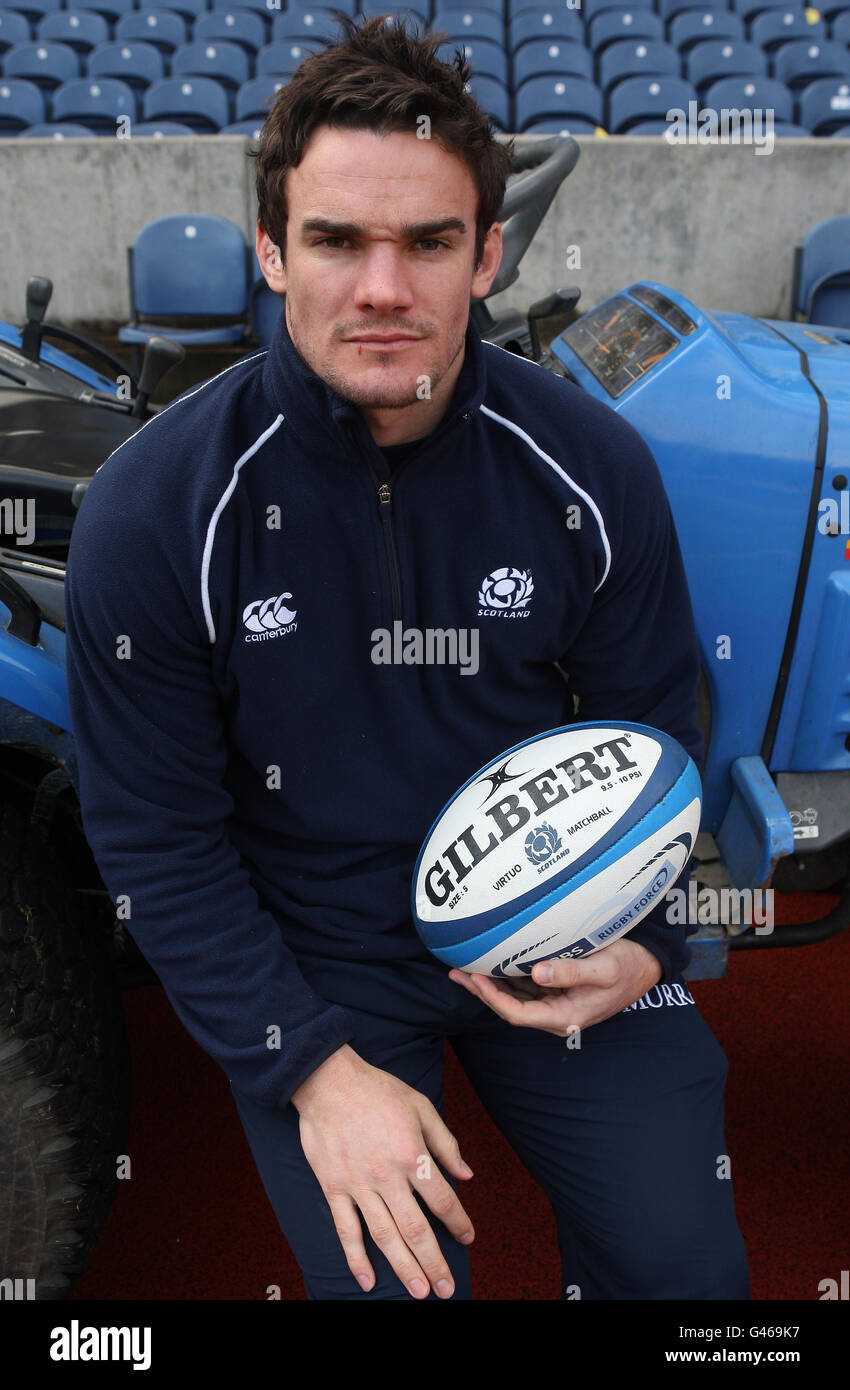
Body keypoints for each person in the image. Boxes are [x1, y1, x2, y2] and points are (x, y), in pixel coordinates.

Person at [65, 15, 750, 1301]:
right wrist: (312, 1068)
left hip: (555, 911)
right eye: (337, 241)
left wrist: (650, 937)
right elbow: (155, 836)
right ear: (273, 251)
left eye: (428, 242)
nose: (382, 289)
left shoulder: (589, 467)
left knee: (686, 1271)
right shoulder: (155, 511)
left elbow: (655, 723)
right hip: (314, 957)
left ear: (486, 255)